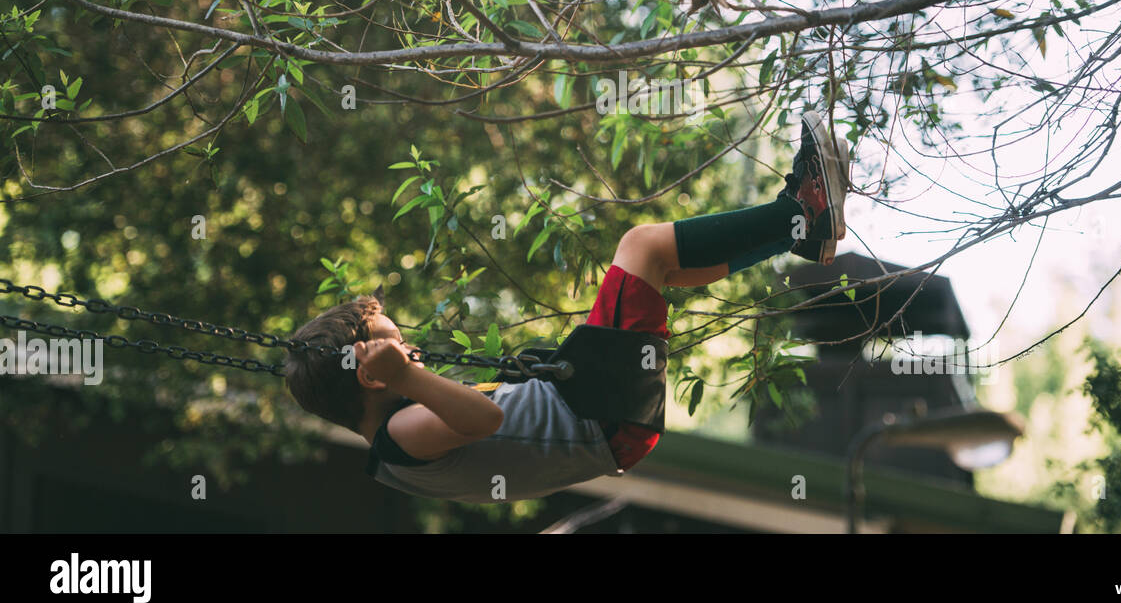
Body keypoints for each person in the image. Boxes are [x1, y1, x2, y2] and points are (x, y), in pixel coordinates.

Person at [284, 111, 850, 503]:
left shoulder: (391, 456)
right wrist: (406, 373)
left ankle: (802, 230)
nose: (406, 348)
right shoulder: (403, 431)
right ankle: (801, 213)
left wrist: (402, 372)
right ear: (370, 375)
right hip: (600, 414)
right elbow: (486, 418)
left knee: (660, 267)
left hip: (600, 414)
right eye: (393, 341)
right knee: (643, 246)